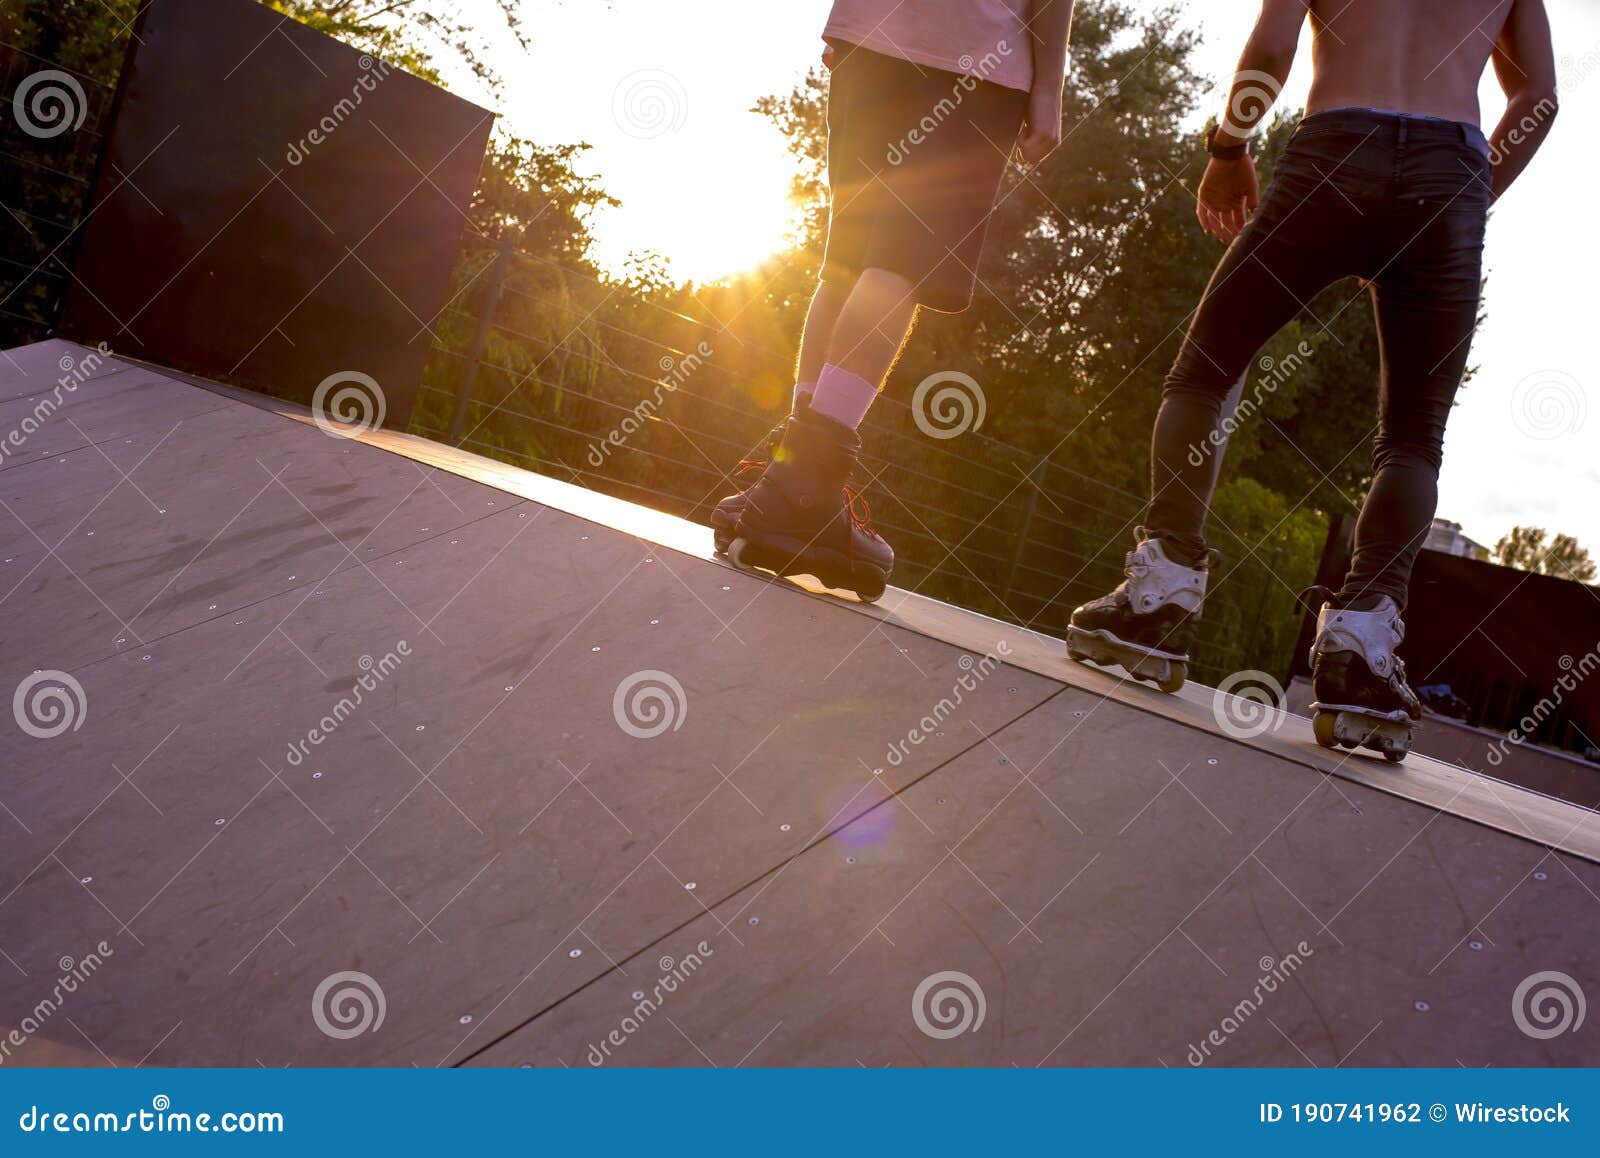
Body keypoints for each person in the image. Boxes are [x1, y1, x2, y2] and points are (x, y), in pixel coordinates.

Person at [1066, 0, 1558, 759]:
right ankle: (1360, 645)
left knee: (1205, 371)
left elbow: (1271, 48)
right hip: (1450, 167)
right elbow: (1538, 97)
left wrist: (1229, 145)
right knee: (1412, 435)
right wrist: (1466, 196)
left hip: (1335, 148)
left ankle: (1159, 597)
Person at [714, 0, 1076, 602]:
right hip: (973, 56)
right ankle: (802, 490)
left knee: (846, 265)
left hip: (871, 38)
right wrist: (1049, 88)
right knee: (896, 268)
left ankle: (789, 477)